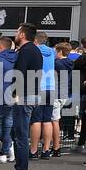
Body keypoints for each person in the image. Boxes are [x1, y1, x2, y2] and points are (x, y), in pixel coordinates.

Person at [3, 23, 44, 170]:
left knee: (20, 135)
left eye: (16, 31)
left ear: (22, 35)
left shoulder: (26, 51)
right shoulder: (35, 50)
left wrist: (14, 93)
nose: (15, 33)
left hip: (24, 96)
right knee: (17, 133)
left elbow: (18, 73)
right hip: (31, 94)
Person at [29, 31, 56, 160]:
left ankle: (33, 150)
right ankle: (46, 150)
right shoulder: (52, 51)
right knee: (47, 120)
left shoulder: (34, 50)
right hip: (51, 87)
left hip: (38, 87)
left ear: (35, 40)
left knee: (35, 120)